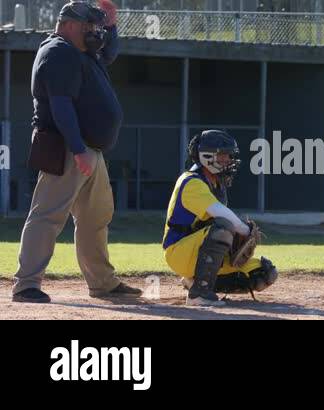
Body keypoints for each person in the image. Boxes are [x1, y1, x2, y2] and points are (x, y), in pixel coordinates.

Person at [13, 1, 142, 303]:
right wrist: (78, 148)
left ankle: (103, 283)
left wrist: (111, 26)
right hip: (68, 147)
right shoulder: (58, 52)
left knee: (95, 219)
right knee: (47, 216)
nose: (95, 33)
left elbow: (109, 52)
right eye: (90, 27)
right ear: (70, 25)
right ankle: (26, 284)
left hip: (89, 151)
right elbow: (61, 106)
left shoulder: (80, 51)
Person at [163, 130, 278, 307]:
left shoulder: (216, 183)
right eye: (223, 155)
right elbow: (220, 214)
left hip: (197, 251)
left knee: (263, 273)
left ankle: (193, 281)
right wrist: (244, 229)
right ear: (206, 156)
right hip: (179, 252)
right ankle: (198, 294)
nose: (228, 160)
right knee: (224, 227)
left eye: (229, 156)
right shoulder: (191, 182)